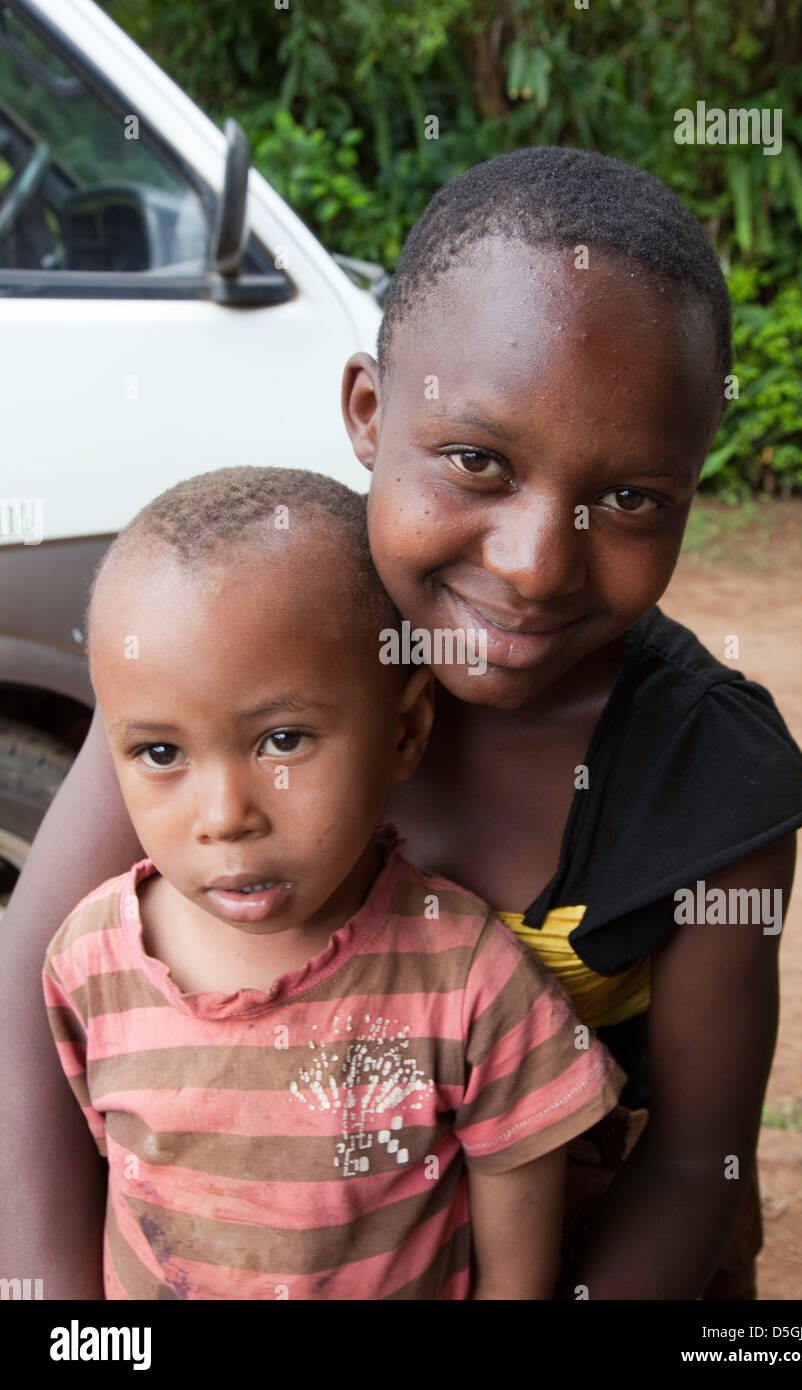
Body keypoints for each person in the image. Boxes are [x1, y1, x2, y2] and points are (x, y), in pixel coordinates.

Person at [0, 147, 802, 1301]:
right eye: (476, 461)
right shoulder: (233, 635)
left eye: (629, 498)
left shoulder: (709, 785)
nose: (535, 564)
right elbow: (25, 986)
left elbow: (695, 1161)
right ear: (367, 411)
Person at [40, 466, 624, 1301]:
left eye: (282, 741)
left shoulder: (468, 981)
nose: (224, 816)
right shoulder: (89, 964)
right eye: (160, 753)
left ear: (405, 731)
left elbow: (519, 1275)